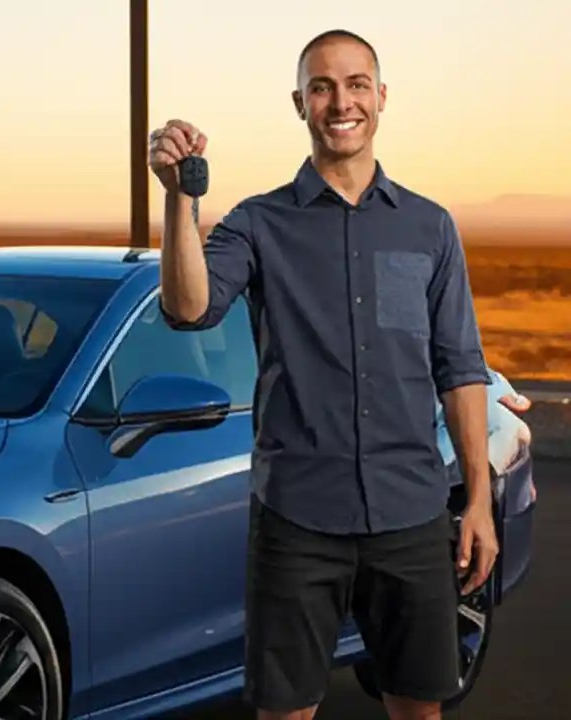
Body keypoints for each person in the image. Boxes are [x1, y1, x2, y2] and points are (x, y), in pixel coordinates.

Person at [149, 29, 503, 720]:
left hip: (410, 513)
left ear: (381, 97)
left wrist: (480, 501)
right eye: (321, 87)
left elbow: (459, 368)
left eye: (355, 84)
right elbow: (187, 306)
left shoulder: (430, 228)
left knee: (418, 709)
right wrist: (176, 200)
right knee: (286, 713)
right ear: (300, 103)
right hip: (297, 519)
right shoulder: (257, 224)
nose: (340, 102)